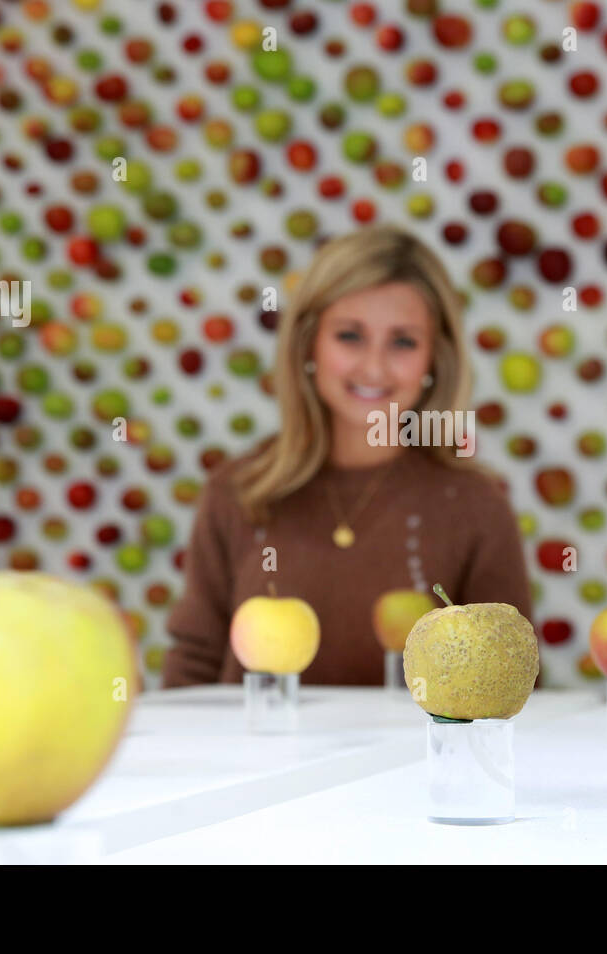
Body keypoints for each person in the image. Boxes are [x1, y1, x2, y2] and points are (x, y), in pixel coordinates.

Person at [161, 223, 536, 687]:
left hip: (420, 762)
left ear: (434, 360)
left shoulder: (476, 507)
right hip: (255, 760)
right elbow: (194, 666)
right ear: (309, 342)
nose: (373, 367)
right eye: (350, 336)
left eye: (402, 341)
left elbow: (509, 684)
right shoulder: (237, 492)